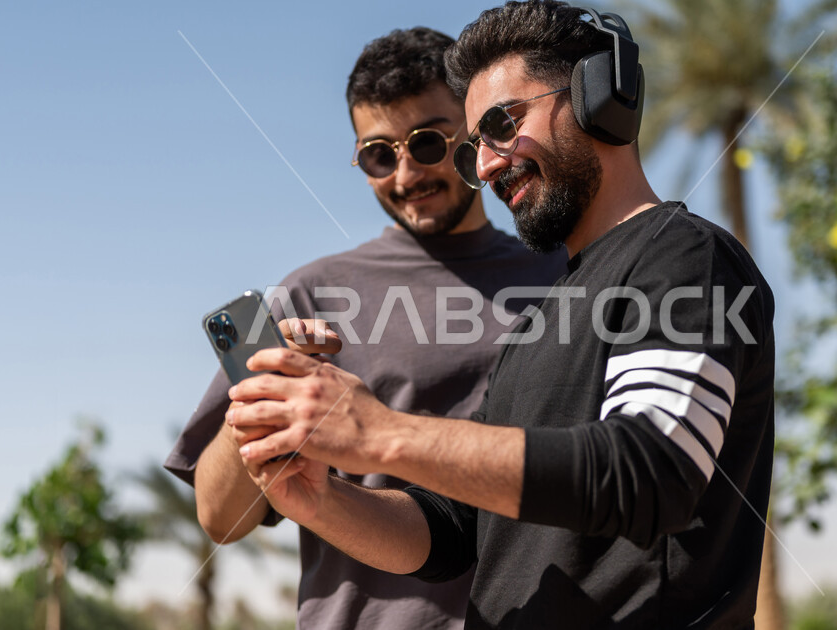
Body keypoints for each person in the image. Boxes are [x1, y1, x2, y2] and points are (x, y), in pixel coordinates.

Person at [225, 1, 776, 628]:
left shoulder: (684, 257)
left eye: (504, 122)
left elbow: (652, 472)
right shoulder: (546, 318)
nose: (485, 165)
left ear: (601, 96)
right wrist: (320, 501)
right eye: (476, 145)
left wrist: (378, 433)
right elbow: (457, 530)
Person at [165, 26, 565, 630]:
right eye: (379, 154)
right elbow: (222, 518)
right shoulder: (311, 292)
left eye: (427, 143)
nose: (405, 176)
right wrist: (258, 405)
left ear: (475, 131)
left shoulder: (566, 276)